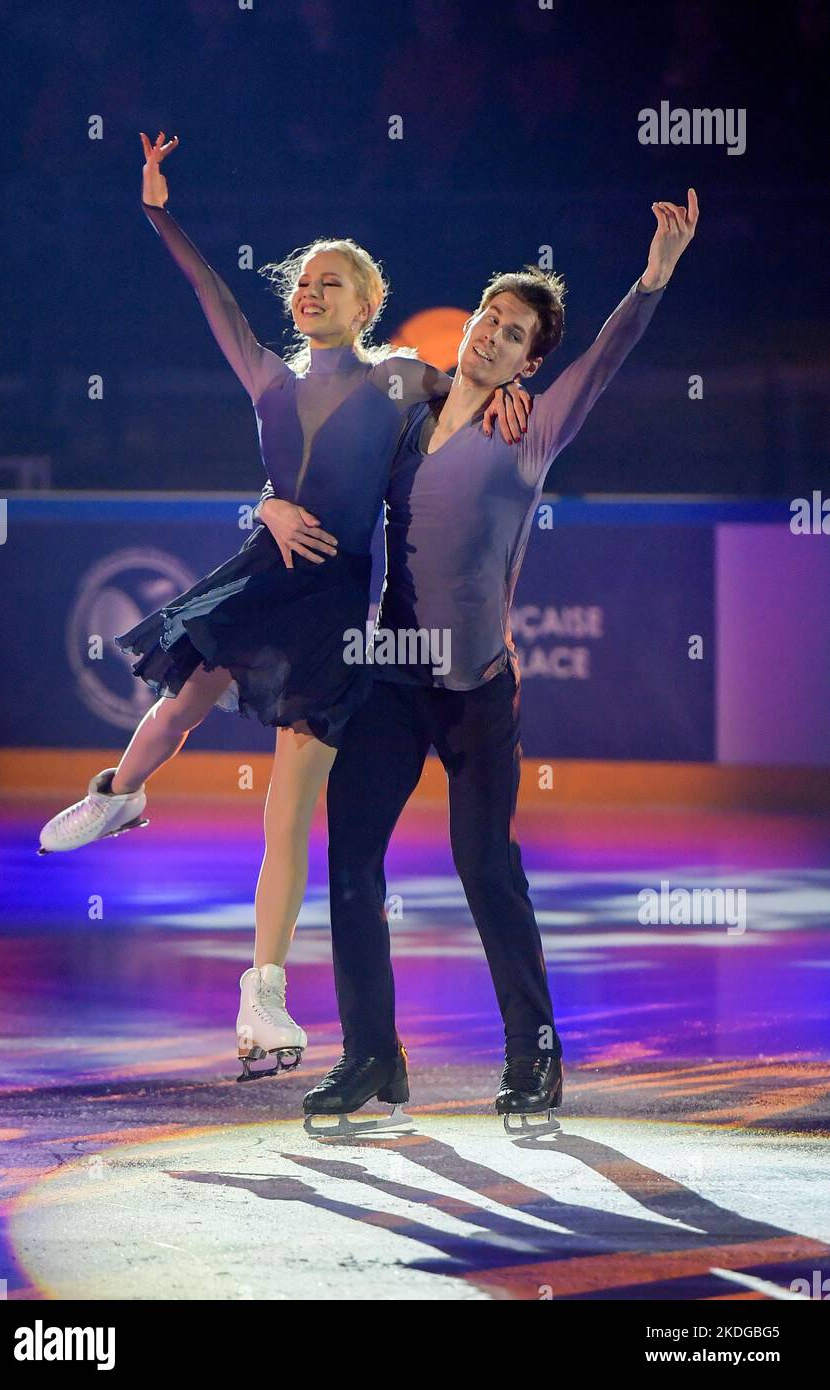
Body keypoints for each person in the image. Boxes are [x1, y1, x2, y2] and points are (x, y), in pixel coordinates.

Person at [38, 131, 529, 1081]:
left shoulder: (398, 377)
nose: (311, 292)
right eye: (304, 282)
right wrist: (157, 211)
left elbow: (470, 390)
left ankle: (262, 994)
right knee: (177, 702)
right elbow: (211, 296)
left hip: (335, 598)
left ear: (366, 305)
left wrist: (506, 395)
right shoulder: (267, 375)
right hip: (267, 567)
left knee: (288, 812)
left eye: (331, 283)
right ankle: (118, 794)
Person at [298, 189, 699, 1124]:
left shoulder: (533, 430)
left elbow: (605, 360)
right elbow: (324, 410)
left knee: (485, 869)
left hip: (477, 692)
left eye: (514, 335)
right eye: (489, 317)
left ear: (529, 362)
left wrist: (652, 279)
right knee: (350, 857)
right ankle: (371, 1056)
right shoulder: (407, 405)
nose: (492, 335)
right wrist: (275, 498)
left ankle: (536, 1053)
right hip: (395, 674)